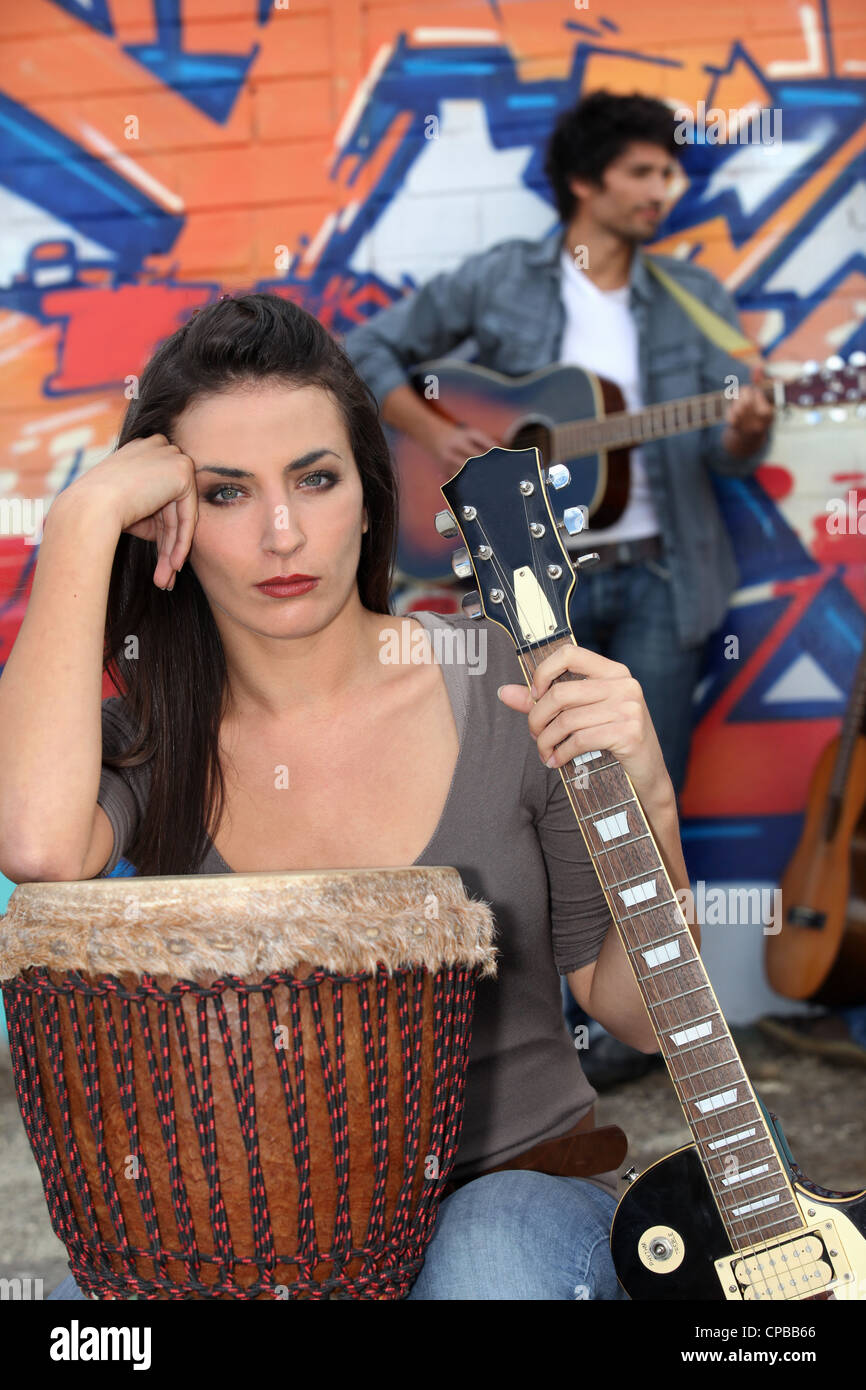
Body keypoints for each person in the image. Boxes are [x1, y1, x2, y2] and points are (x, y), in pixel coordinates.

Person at [0, 293, 696, 1300]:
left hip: (508, 1200)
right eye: (228, 493)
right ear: (172, 523)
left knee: (482, 1269)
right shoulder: (149, 737)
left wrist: (654, 805)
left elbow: (639, 1018)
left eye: (314, 479)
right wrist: (79, 521)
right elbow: (34, 844)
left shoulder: (508, 682)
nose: (283, 533)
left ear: (367, 497)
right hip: (254, 1230)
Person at [344, 88, 774, 1087]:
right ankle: (544, 1023)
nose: (661, 190)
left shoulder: (680, 300)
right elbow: (368, 350)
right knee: (536, 792)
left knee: (634, 788)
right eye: (641, 172)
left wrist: (745, 428)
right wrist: (432, 428)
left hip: (659, 577)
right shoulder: (504, 279)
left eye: (670, 173)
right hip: (528, 586)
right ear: (585, 180)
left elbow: (723, 448)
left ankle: (638, 1025)